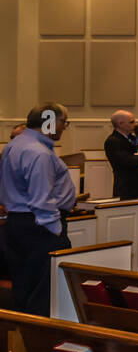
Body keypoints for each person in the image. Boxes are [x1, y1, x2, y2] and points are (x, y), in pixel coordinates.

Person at [0, 103, 76, 315]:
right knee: (43, 295)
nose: (63, 127)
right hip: (40, 227)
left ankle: (21, 344)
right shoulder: (38, 152)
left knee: (24, 287)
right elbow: (41, 200)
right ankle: (37, 344)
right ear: (50, 122)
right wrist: (56, 230)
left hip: (17, 222)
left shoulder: (15, 145)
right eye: (63, 122)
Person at [104, 110, 138, 265]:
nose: (135, 124)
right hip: (127, 189)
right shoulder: (113, 141)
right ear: (120, 124)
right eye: (131, 122)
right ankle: (130, 262)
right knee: (130, 228)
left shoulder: (133, 138)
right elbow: (127, 162)